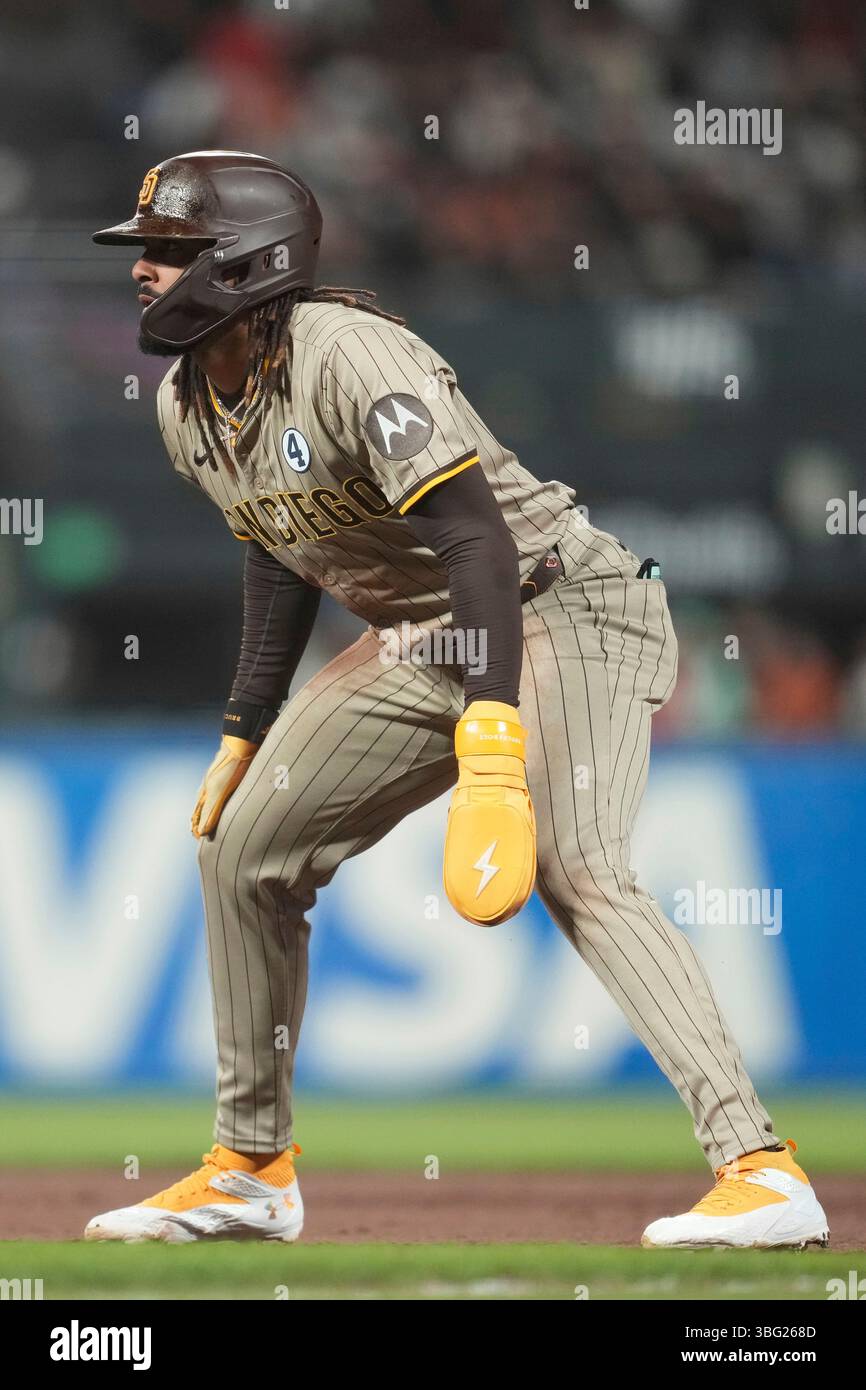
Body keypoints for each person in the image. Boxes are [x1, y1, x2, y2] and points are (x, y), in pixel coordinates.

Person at [85, 151, 827, 1251]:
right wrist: (246, 727)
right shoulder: (189, 399)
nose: (144, 271)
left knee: (575, 865)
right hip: (421, 635)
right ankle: (248, 1170)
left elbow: (474, 536)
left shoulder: (349, 352)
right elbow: (280, 555)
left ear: (243, 261)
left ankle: (759, 1169)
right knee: (240, 851)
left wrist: (490, 730)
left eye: (169, 250)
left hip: (558, 601)